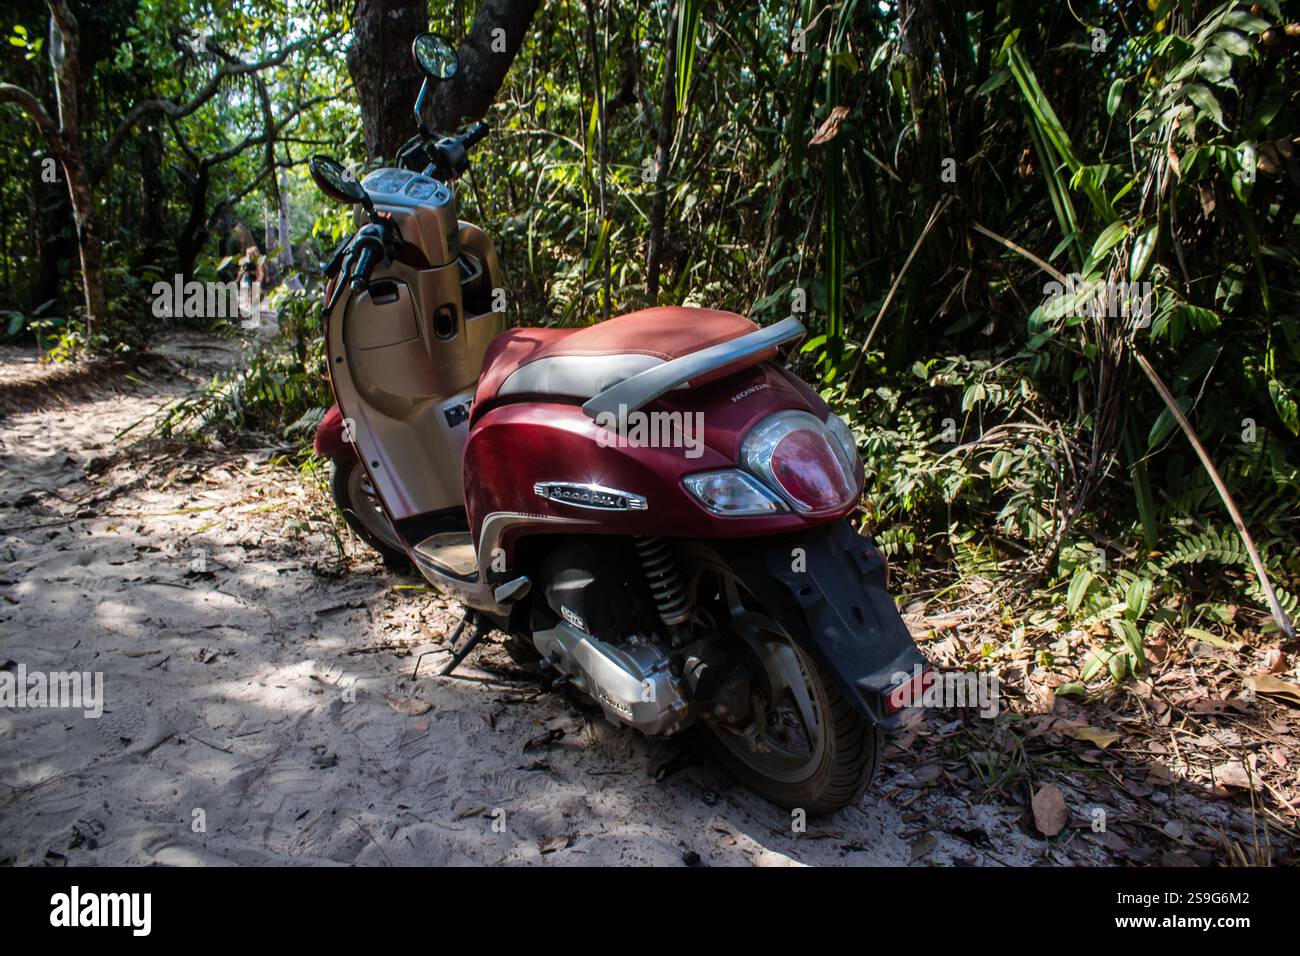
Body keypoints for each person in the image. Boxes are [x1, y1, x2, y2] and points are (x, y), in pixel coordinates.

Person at [237, 245, 267, 320]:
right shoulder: (244, 262)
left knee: (253, 295)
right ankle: (248, 309)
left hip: (253, 279)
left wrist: (259, 280)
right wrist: (238, 279)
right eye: (248, 254)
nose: (249, 255)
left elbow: (260, 272)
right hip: (245, 279)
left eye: (250, 254)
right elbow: (241, 271)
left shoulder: (256, 262)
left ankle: (252, 309)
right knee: (246, 294)